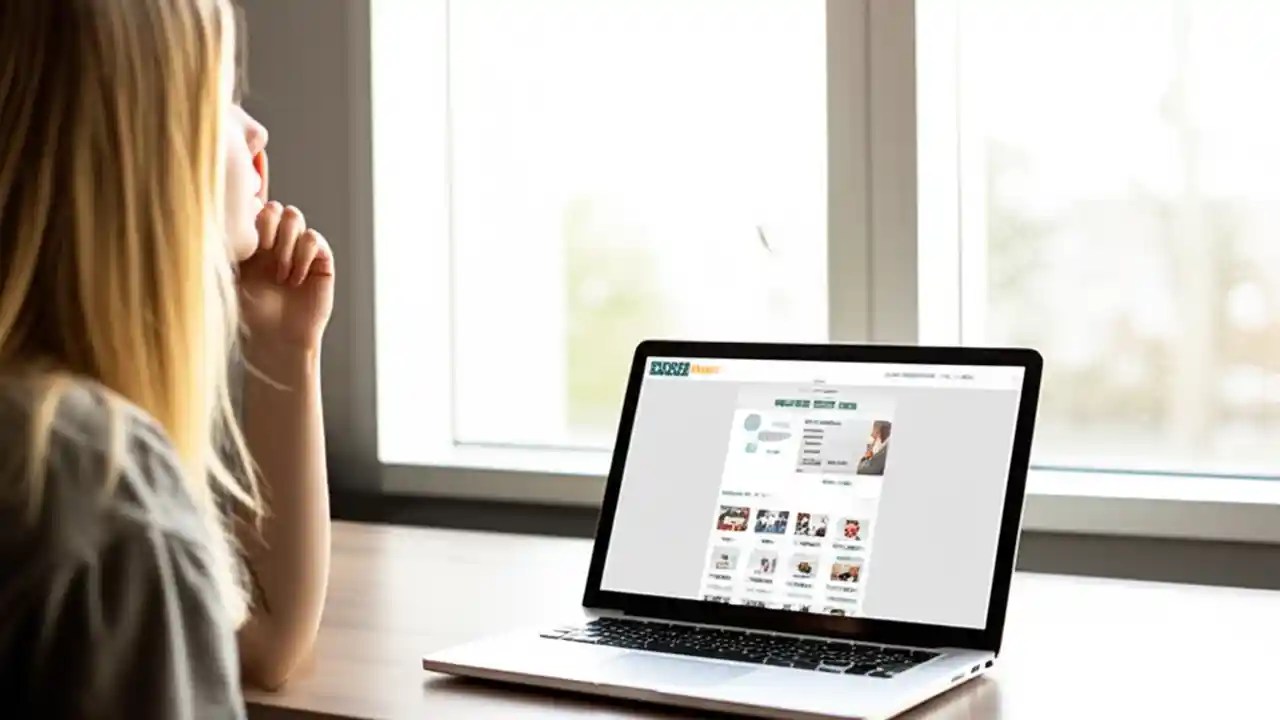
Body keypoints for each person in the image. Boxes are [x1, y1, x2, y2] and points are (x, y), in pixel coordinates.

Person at [0, 1, 333, 717]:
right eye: (219, 94)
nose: (258, 131)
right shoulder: (89, 474)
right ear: (137, 149)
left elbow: (263, 643)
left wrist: (287, 351)